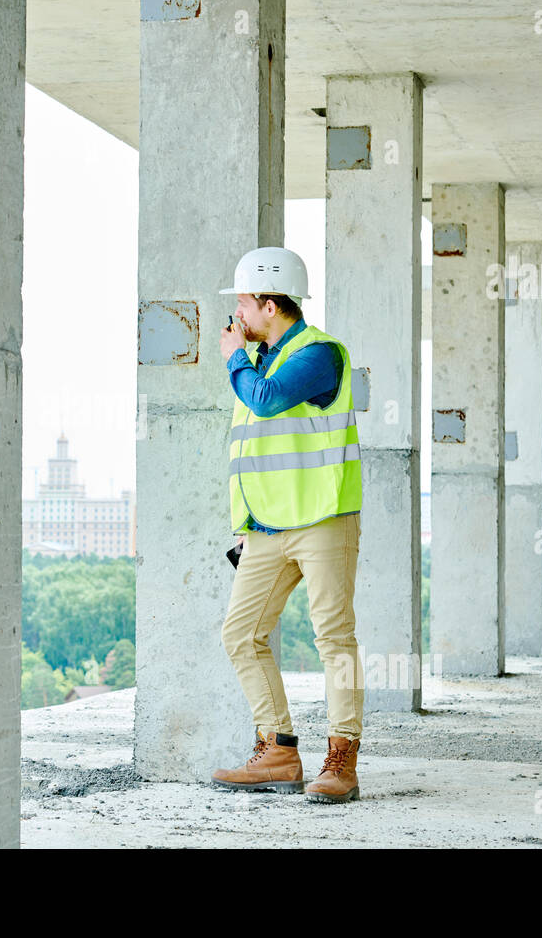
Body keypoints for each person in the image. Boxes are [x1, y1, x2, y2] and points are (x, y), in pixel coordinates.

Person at [210, 245, 365, 803]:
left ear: (270, 304)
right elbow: (253, 454)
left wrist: (234, 357)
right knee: (240, 633)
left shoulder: (317, 354)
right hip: (267, 529)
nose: (237, 318)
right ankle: (277, 747)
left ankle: (341, 757)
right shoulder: (263, 362)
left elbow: (270, 402)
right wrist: (245, 524)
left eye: (244, 305)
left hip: (322, 519)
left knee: (334, 640)